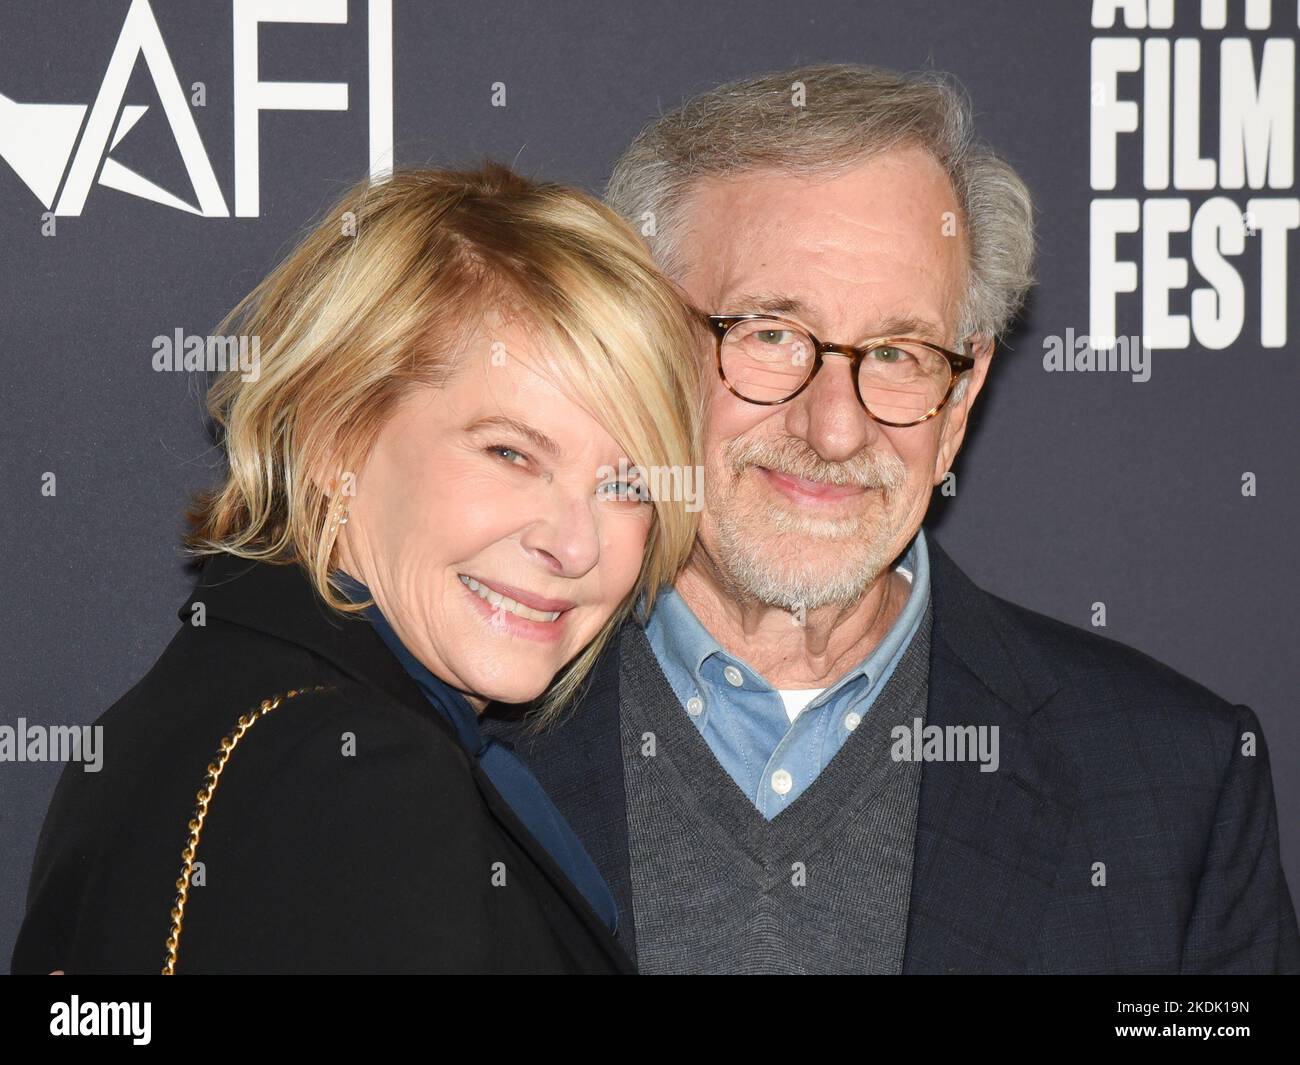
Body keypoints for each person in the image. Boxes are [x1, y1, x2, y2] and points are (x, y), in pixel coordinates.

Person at [482, 64, 1300, 974]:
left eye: (901, 353)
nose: (835, 428)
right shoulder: (455, 729)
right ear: (642, 342)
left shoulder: (1170, 787)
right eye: (769, 333)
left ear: (960, 402)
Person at [10, 161, 703, 974]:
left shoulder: (170, 720)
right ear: (336, 437)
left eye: (625, 484)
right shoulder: (365, 777)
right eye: (511, 452)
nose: (576, 544)